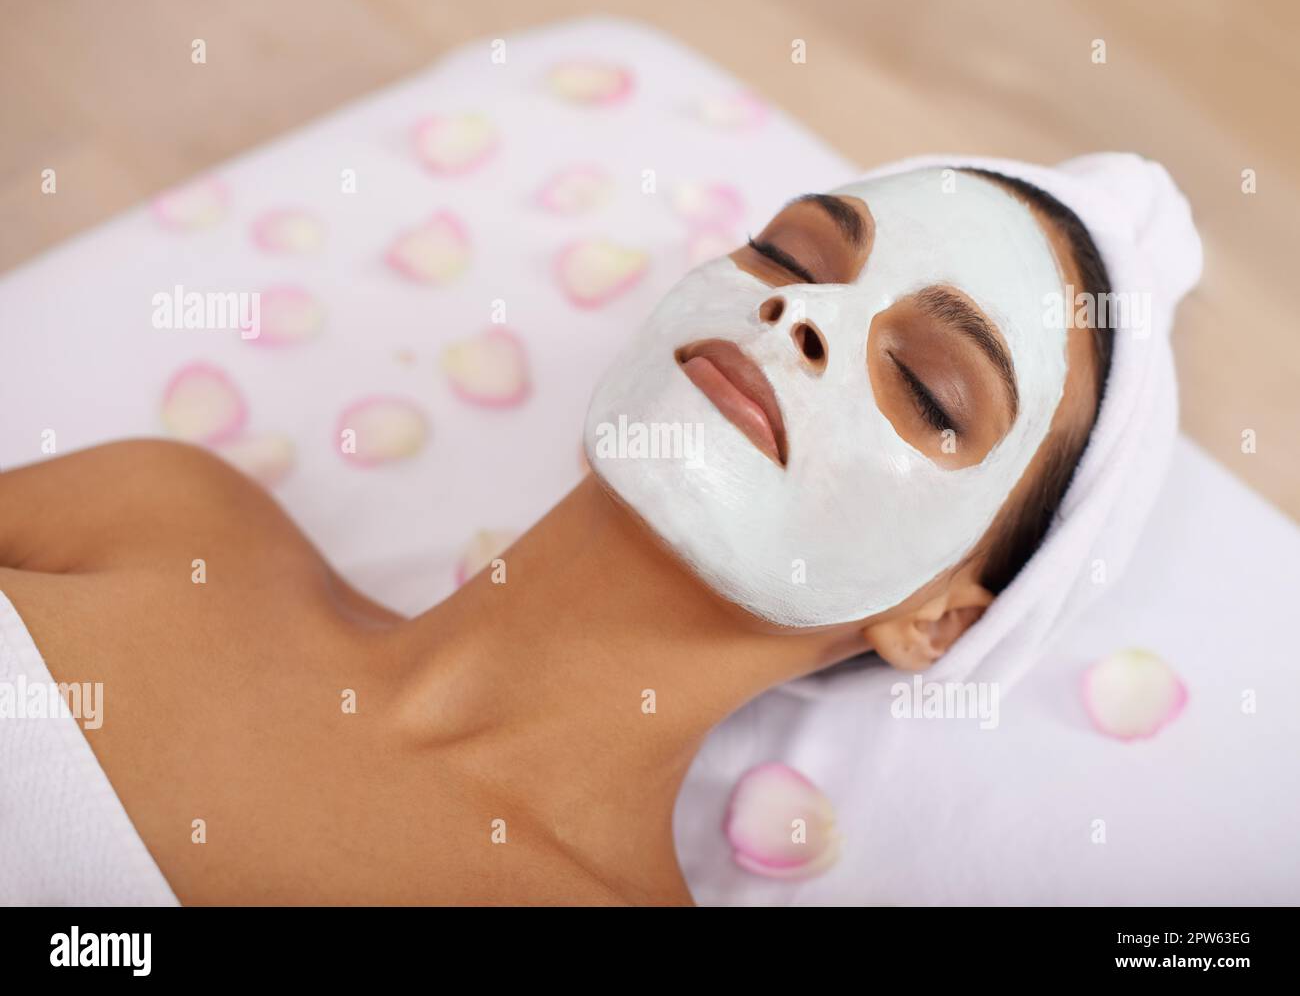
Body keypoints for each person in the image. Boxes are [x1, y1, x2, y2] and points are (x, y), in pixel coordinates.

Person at [0, 163, 1142, 906]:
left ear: (934, 622)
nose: (800, 314)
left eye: (930, 392)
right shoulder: (161, 518)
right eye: (792, 257)